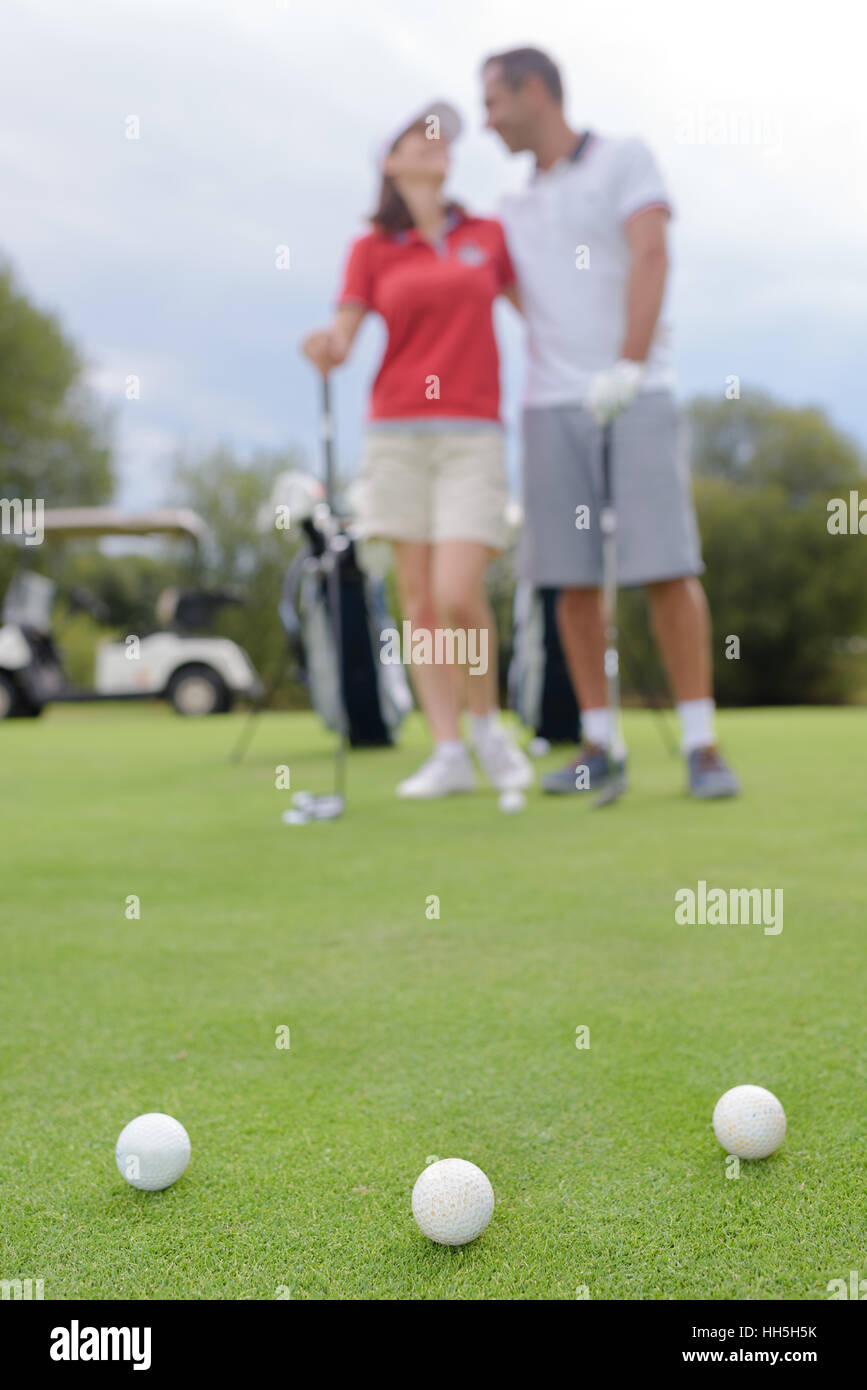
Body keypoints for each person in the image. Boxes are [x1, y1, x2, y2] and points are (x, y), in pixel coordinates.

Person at [481, 48, 740, 799]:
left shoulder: (625, 158)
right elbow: (505, 288)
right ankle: (599, 740)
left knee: (664, 566)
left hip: (638, 391)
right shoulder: (512, 205)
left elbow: (652, 252)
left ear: (534, 91)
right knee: (568, 579)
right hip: (549, 404)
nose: (488, 121)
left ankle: (700, 743)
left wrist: (626, 365)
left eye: (494, 104)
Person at [302, 102, 532, 799]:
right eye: (419, 137)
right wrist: (326, 349)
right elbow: (342, 339)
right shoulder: (370, 247)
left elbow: (536, 316)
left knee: (456, 589)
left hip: (472, 432)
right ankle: (446, 750)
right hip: (396, 432)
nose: (436, 146)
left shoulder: (488, 234)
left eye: (444, 139)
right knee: (417, 599)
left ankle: (488, 728)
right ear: (390, 160)